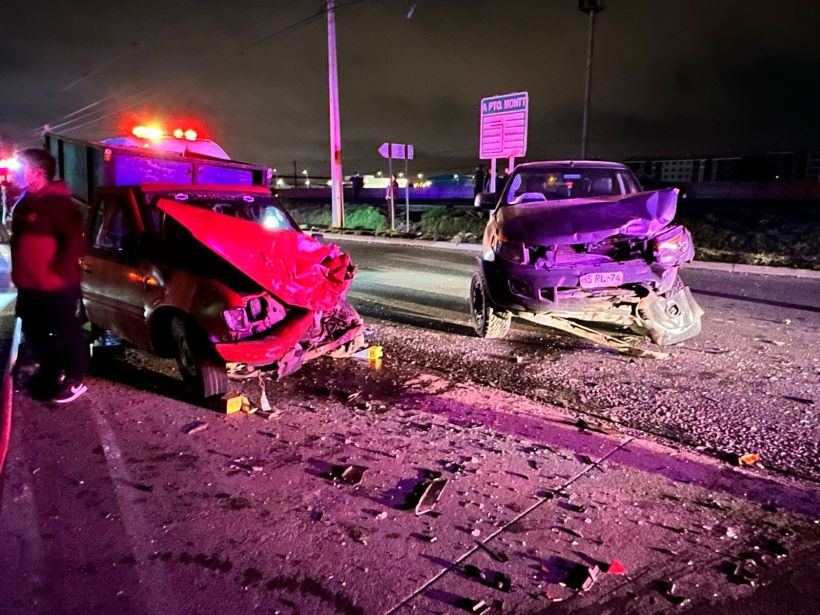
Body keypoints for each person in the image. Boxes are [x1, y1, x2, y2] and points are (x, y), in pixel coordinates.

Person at [11, 149, 88, 403]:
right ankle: (50, 371)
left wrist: (59, 273)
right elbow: (17, 241)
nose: (15, 173)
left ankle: (75, 379)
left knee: (67, 331)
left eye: (21, 167)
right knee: (35, 331)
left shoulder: (59, 205)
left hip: (55, 286)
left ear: (37, 172)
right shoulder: (25, 202)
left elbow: (75, 242)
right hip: (29, 285)